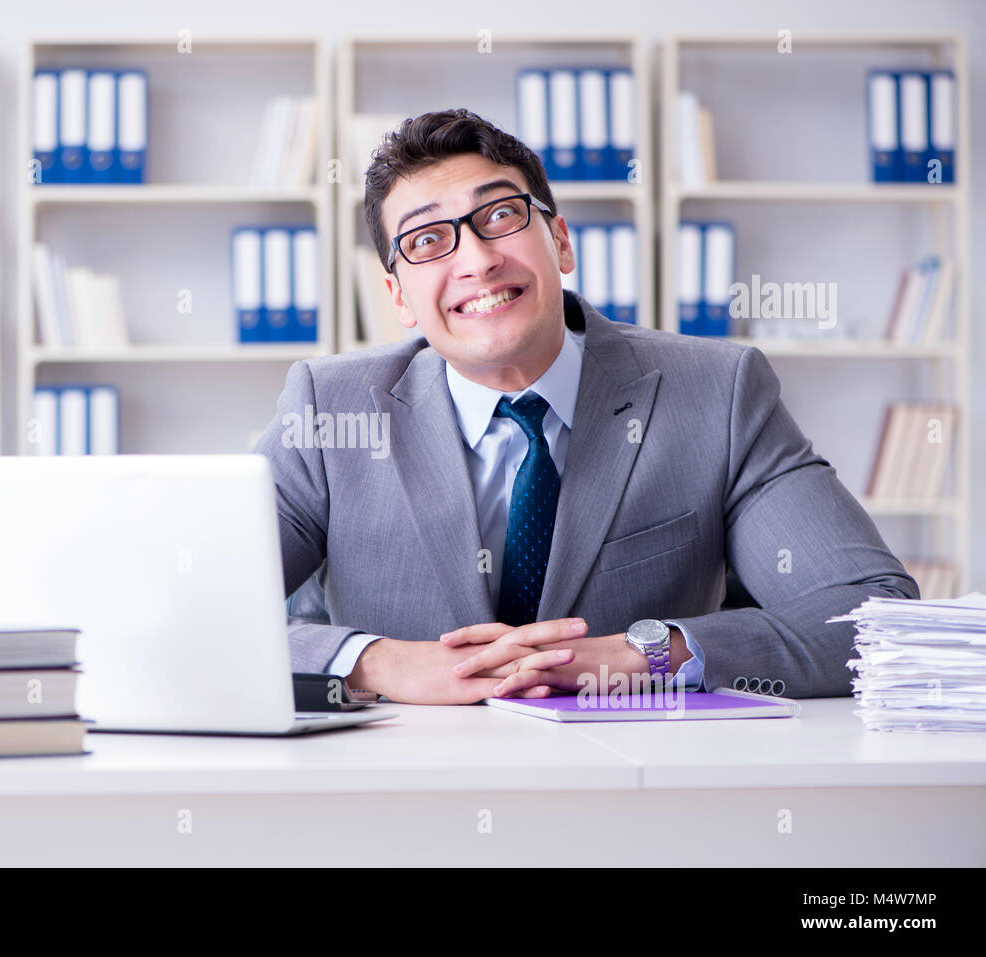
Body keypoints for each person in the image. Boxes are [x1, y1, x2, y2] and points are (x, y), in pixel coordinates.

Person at [254, 108, 917, 705]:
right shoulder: (329, 409)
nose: (477, 260)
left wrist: (649, 652)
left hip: (640, 796)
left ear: (561, 241)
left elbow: (872, 614)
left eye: (500, 215)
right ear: (399, 296)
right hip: (402, 796)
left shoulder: (717, 391)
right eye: (428, 240)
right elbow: (187, 607)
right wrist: (378, 662)